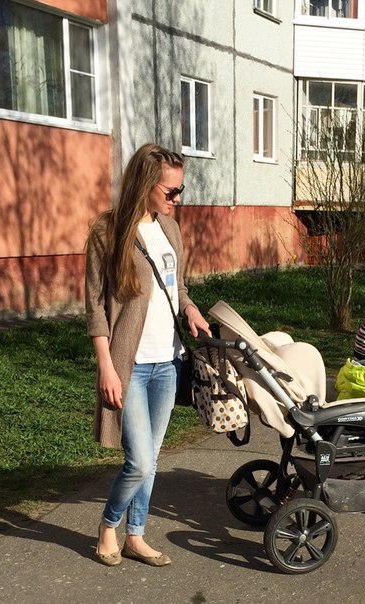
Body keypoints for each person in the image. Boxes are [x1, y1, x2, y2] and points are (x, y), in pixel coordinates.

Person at [85, 143, 210, 567]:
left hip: (168, 362)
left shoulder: (169, 228)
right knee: (138, 461)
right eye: (170, 191)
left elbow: (178, 287)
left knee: (151, 460)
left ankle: (135, 535)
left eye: (180, 190)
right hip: (130, 365)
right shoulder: (106, 233)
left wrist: (190, 309)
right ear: (144, 185)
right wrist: (106, 367)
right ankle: (108, 526)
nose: (177, 199)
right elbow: (96, 309)